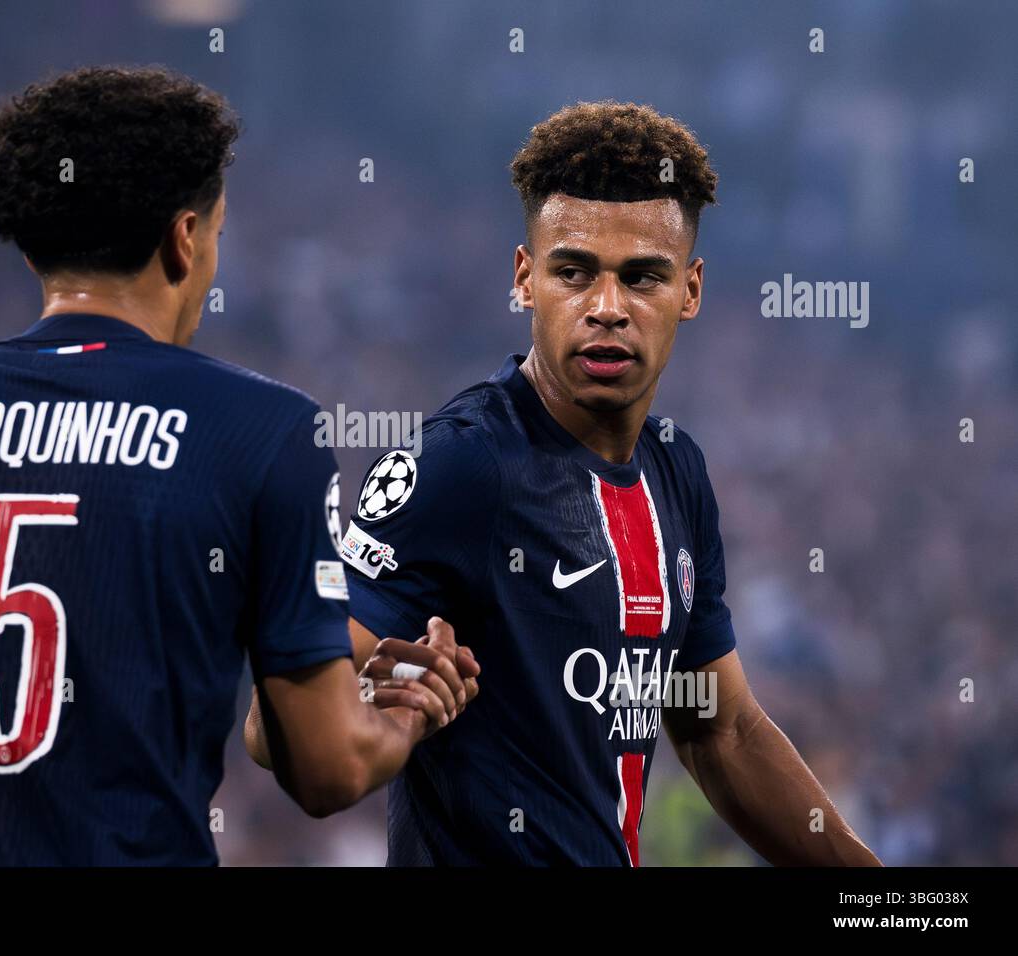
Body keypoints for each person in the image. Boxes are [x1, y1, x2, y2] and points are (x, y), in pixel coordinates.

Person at [0, 65, 476, 866]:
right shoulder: (264, 433)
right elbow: (327, 768)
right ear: (184, 238)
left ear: (33, 250)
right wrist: (410, 712)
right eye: (215, 232)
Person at [247, 100, 880, 867]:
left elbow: (721, 730)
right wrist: (389, 702)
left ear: (691, 289)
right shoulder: (460, 466)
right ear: (525, 278)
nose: (606, 308)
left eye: (642, 276)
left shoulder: (677, 471)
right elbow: (273, 724)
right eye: (573, 272)